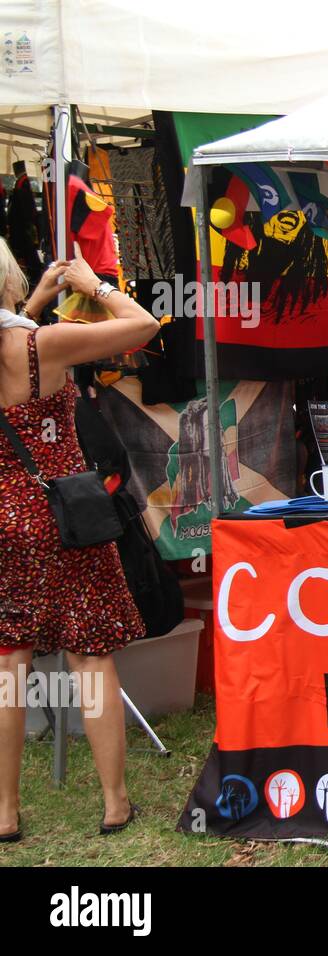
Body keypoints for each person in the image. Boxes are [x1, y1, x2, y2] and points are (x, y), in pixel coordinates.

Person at [0, 246, 161, 842]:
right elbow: (143, 326)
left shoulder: (28, 334)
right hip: (61, 515)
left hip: (2, 519)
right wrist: (94, 286)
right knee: (90, 655)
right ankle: (115, 802)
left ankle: (5, 813)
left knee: (7, 664)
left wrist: (38, 302)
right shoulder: (42, 346)